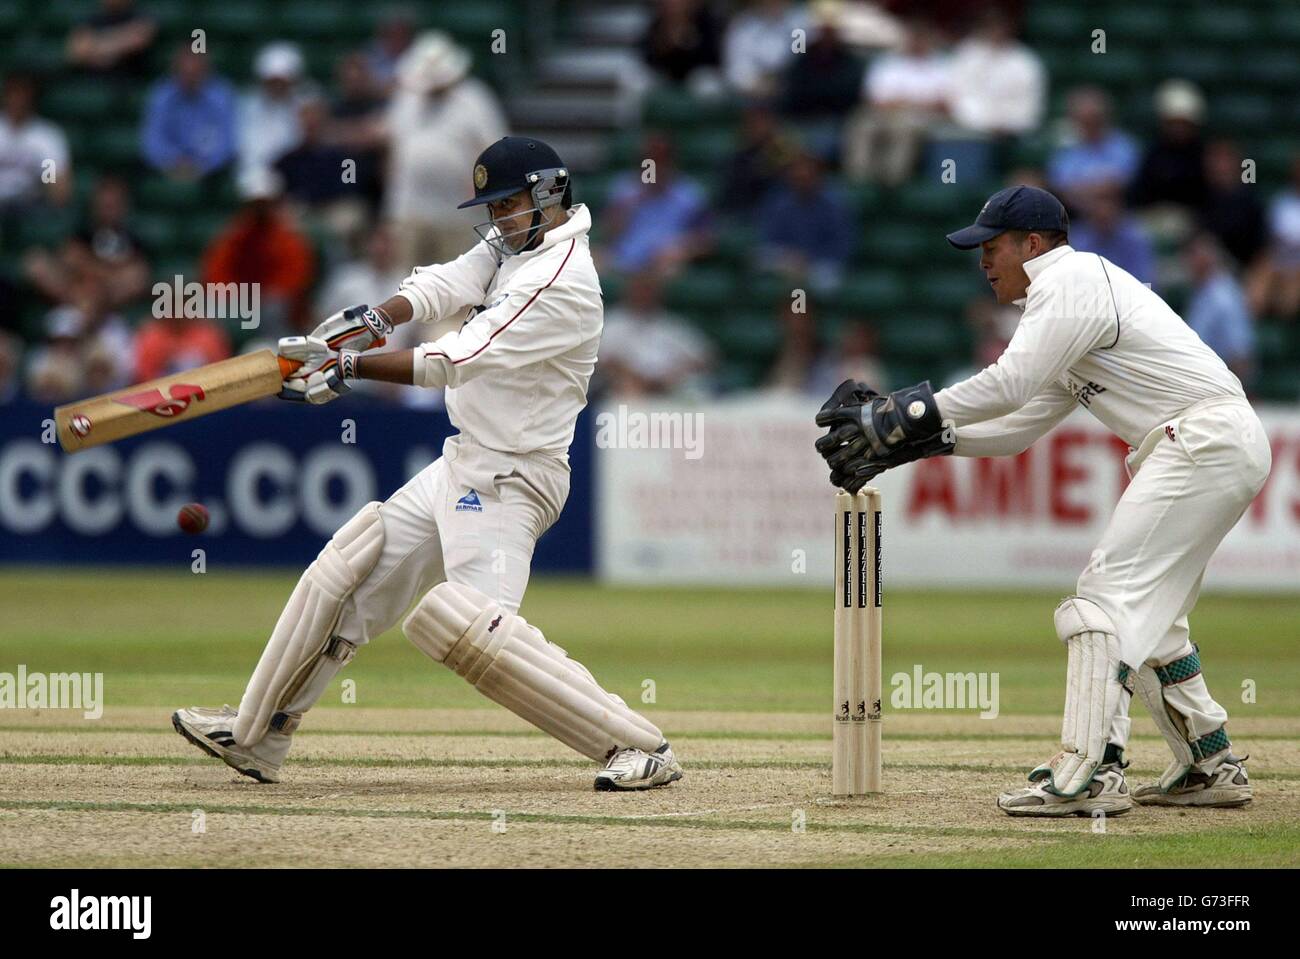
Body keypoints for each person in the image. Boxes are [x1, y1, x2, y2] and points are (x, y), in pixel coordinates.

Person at [172, 137, 682, 792]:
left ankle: (637, 744)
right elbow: (444, 282)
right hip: (464, 459)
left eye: (510, 204)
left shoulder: (562, 281)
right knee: (353, 563)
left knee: (462, 625)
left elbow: (455, 359)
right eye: (493, 207)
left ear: (549, 196)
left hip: (512, 479)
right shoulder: (513, 245)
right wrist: (368, 321)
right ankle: (258, 732)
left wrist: (347, 366)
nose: (498, 219)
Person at [815, 185, 1267, 816]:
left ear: (1034, 243)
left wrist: (904, 412)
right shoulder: (1065, 307)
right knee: (1153, 619)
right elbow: (1019, 426)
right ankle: (1208, 761)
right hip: (1211, 443)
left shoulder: (1071, 279)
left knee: (1103, 599)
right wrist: (926, 441)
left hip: (1201, 440)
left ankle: (1091, 771)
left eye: (993, 247)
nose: (983, 262)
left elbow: (1009, 383)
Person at [385, 32, 508, 269]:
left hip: (456, 214)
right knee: (407, 280)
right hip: (410, 210)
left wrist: (480, 184)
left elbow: (494, 147)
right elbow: (396, 148)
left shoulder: (474, 98)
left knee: (455, 281)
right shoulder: (406, 99)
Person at [140, 45, 238, 180]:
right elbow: (152, 142)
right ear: (175, 73)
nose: (190, 79)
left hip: (210, 174)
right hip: (169, 169)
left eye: (195, 73)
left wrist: (201, 166)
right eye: (185, 73)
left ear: (206, 72)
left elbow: (227, 144)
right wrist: (174, 160)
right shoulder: (161, 96)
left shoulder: (221, 97)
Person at [1045, 87, 1139, 208]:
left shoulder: (1124, 146)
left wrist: (1089, 191)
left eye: (1095, 119)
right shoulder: (1064, 148)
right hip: (1074, 216)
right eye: (1084, 120)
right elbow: (1062, 187)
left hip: (1118, 212)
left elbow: (1122, 183)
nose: (1090, 125)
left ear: (1105, 118)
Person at [1184, 234, 1255, 387]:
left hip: (1218, 382)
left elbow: (1240, 355)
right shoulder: (1201, 290)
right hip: (1199, 375)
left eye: (1195, 255)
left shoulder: (1223, 296)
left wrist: (1231, 393)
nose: (1189, 261)